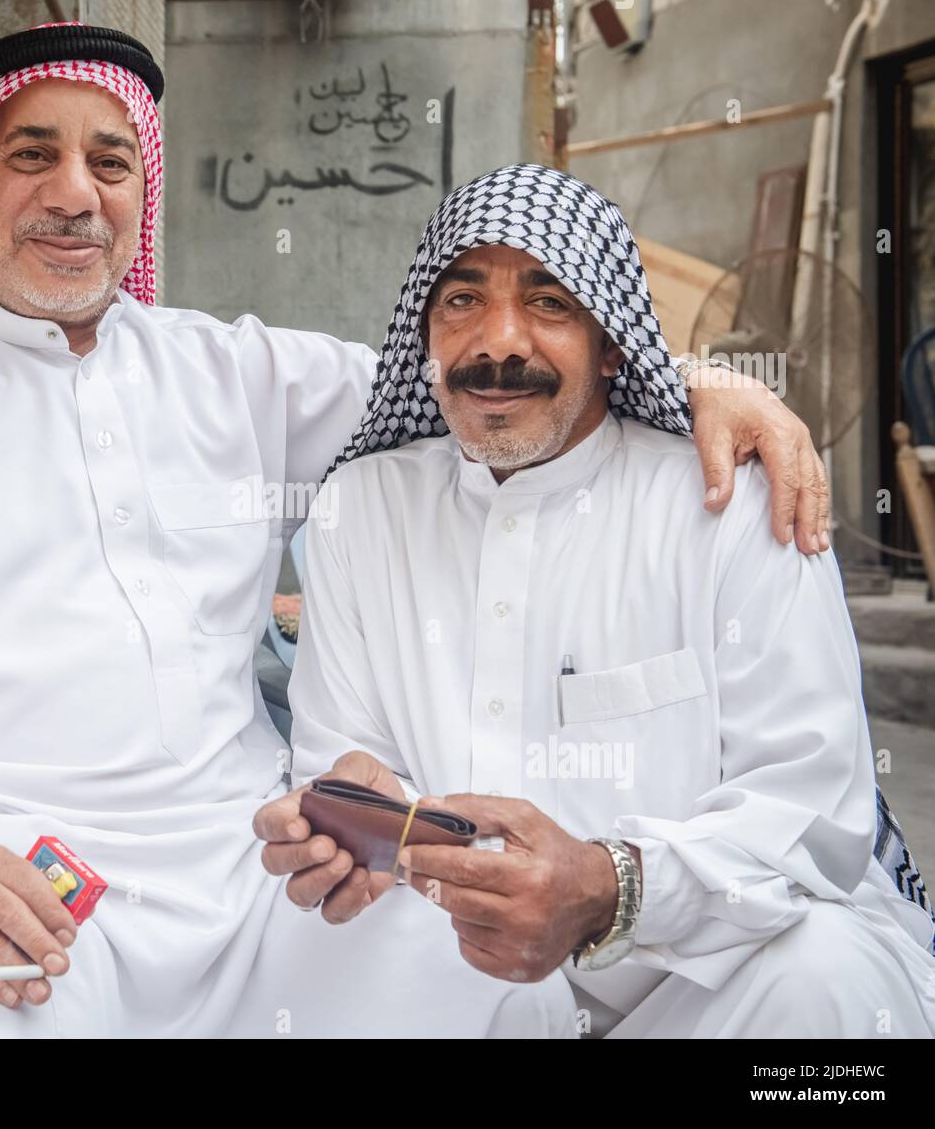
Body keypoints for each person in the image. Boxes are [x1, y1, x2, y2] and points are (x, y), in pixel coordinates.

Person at [0, 22, 824, 1038]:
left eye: (110, 159)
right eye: (33, 154)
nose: (74, 194)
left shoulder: (230, 371)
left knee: (479, 971)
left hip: (250, 885)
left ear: (143, 190)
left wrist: (686, 380)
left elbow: (475, 378)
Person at [256, 164, 935, 1038]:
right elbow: (349, 761)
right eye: (462, 300)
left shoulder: (730, 503)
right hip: (461, 965)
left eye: (548, 303)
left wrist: (610, 888)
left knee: (831, 983)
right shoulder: (363, 506)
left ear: (613, 340)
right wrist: (348, 828)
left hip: (710, 975)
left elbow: (810, 814)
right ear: (425, 333)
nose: (498, 341)